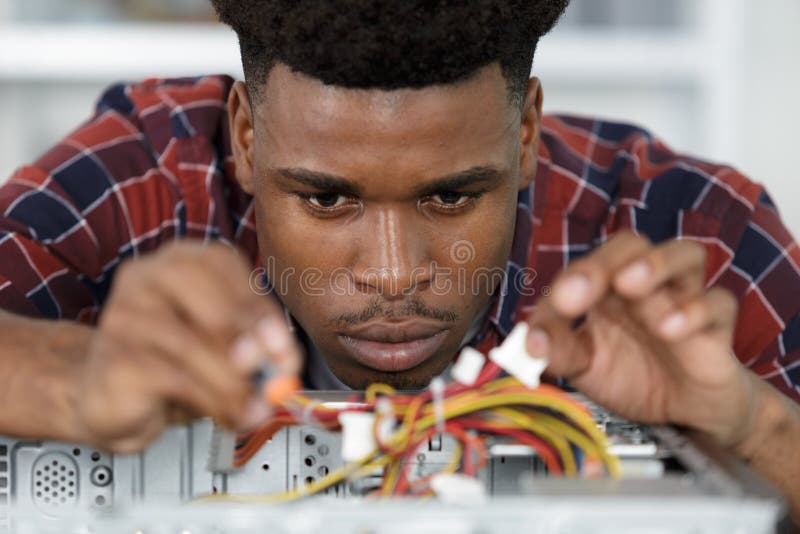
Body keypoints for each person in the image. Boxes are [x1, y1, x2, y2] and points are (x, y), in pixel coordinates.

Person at [0, 0, 798, 520]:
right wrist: (69, 374)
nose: (391, 275)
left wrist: (749, 422)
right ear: (245, 136)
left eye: (450, 198)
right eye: (326, 199)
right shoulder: (143, 182)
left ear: (525, 136)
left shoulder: (689, 230)